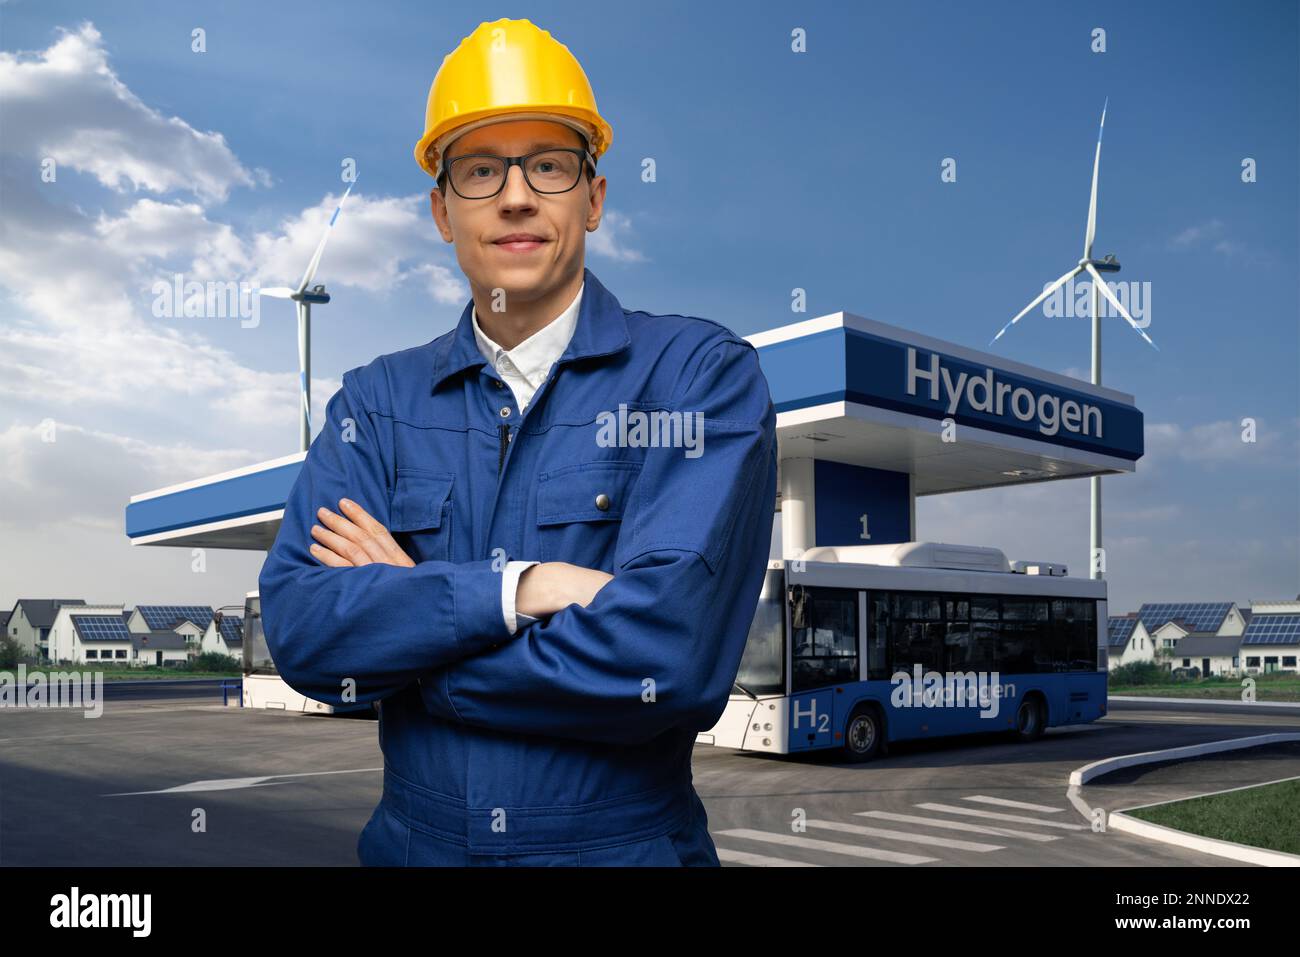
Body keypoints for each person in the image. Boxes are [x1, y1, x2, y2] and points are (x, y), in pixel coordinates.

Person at [258, 17, 777, 867]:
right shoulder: (377, 403)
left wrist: (414, 632)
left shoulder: (697, 378)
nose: (514, 195)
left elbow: (668, 658)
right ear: (440, 211)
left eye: (548, 163)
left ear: (594, 197)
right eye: (478, 170)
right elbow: (307, 633)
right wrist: (522, 588)